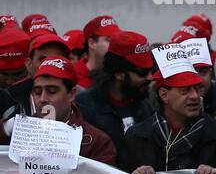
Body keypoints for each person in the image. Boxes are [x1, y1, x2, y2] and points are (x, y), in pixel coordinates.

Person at [74, 30, 154, 158]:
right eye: (142, 72)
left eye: (151, 70)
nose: (150, 77)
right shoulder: (84, 108)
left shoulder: (145, 105)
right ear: (119, 74)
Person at [28, 57, 116, 165]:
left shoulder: (97, 142)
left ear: (71, 94)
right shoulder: (20, 133)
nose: (42, 99)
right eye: (37, 92)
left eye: (51, 91)